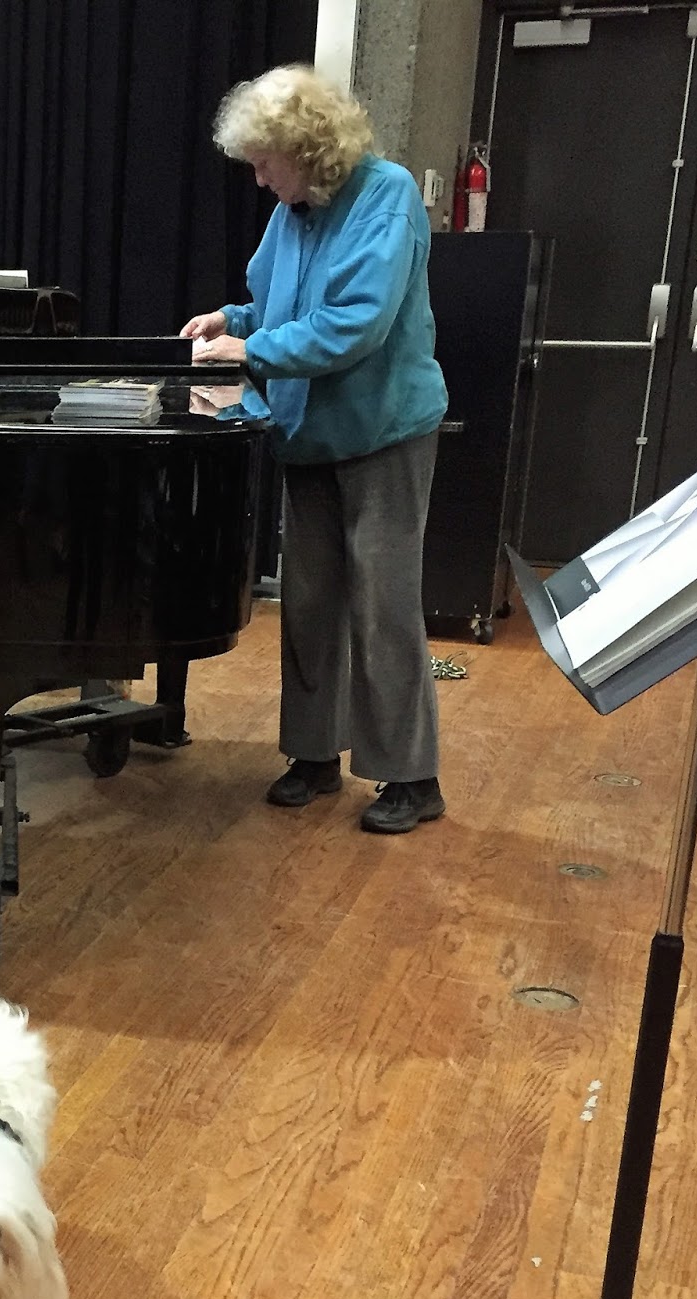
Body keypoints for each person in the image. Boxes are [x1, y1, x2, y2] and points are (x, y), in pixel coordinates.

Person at [183, 65, 449, 834]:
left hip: (385, 432)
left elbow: (354, 323)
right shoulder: (294, 210)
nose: (259, 178)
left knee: (383, 605)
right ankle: (312, 754)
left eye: (266, 161)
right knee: (307, 603)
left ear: (306, 148)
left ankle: (411, 776)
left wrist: (249, 348)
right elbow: (274, 304)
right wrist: (226, 318)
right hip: (311, 434)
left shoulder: (385, 194)